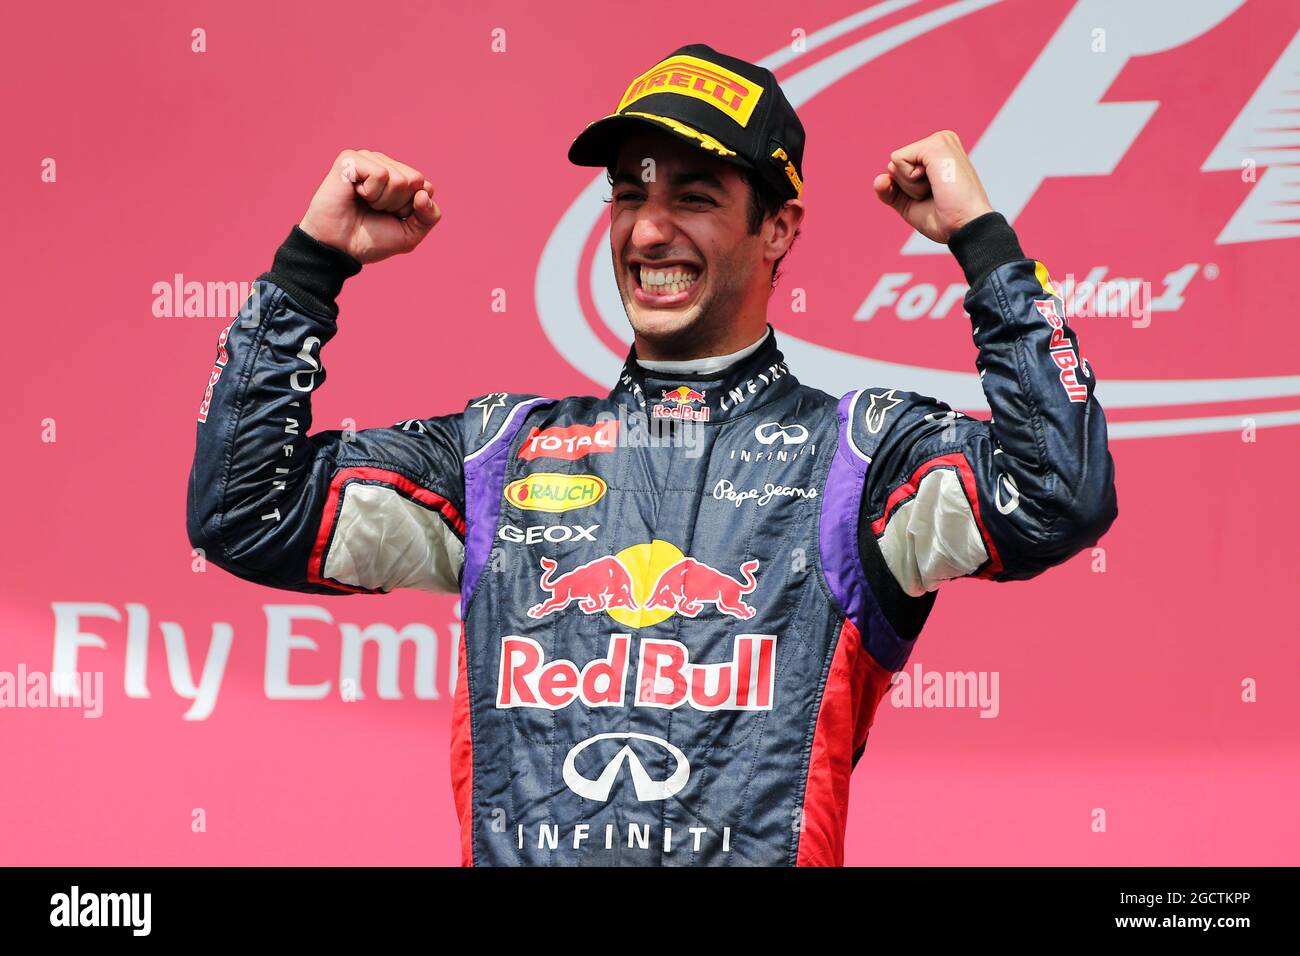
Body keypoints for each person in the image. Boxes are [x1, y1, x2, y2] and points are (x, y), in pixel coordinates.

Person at [187, 43, 1117, 866]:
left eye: (696, 197)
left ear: (780, 229)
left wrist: (985, 245)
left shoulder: (859, 458)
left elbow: (1059, 493)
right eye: (628, 193)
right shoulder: (503, 453)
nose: (647, 231)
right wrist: (312, 266)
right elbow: (243, 513)